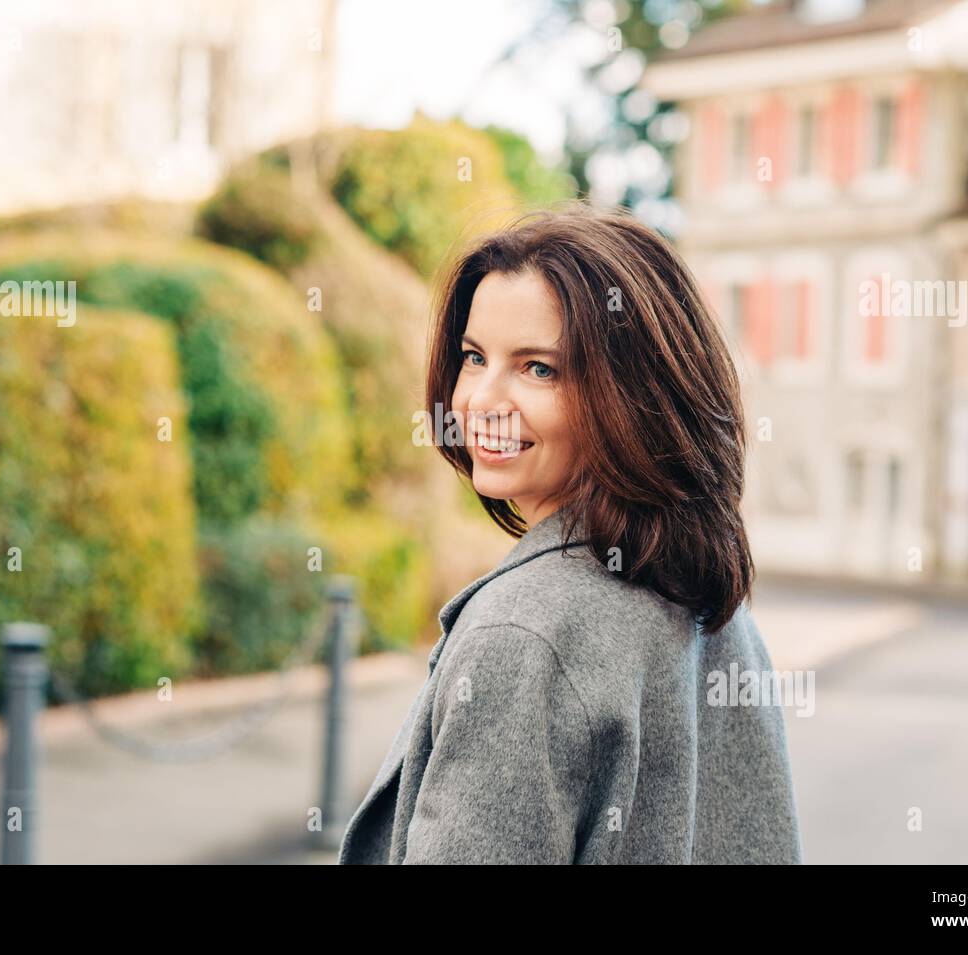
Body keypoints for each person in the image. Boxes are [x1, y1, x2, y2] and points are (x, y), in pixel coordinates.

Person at [338, 200, 803, 864]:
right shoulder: (708, 601)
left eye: (539, 368)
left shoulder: (525, 632)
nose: (481, 401)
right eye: (474, 357)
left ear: (634, 395)